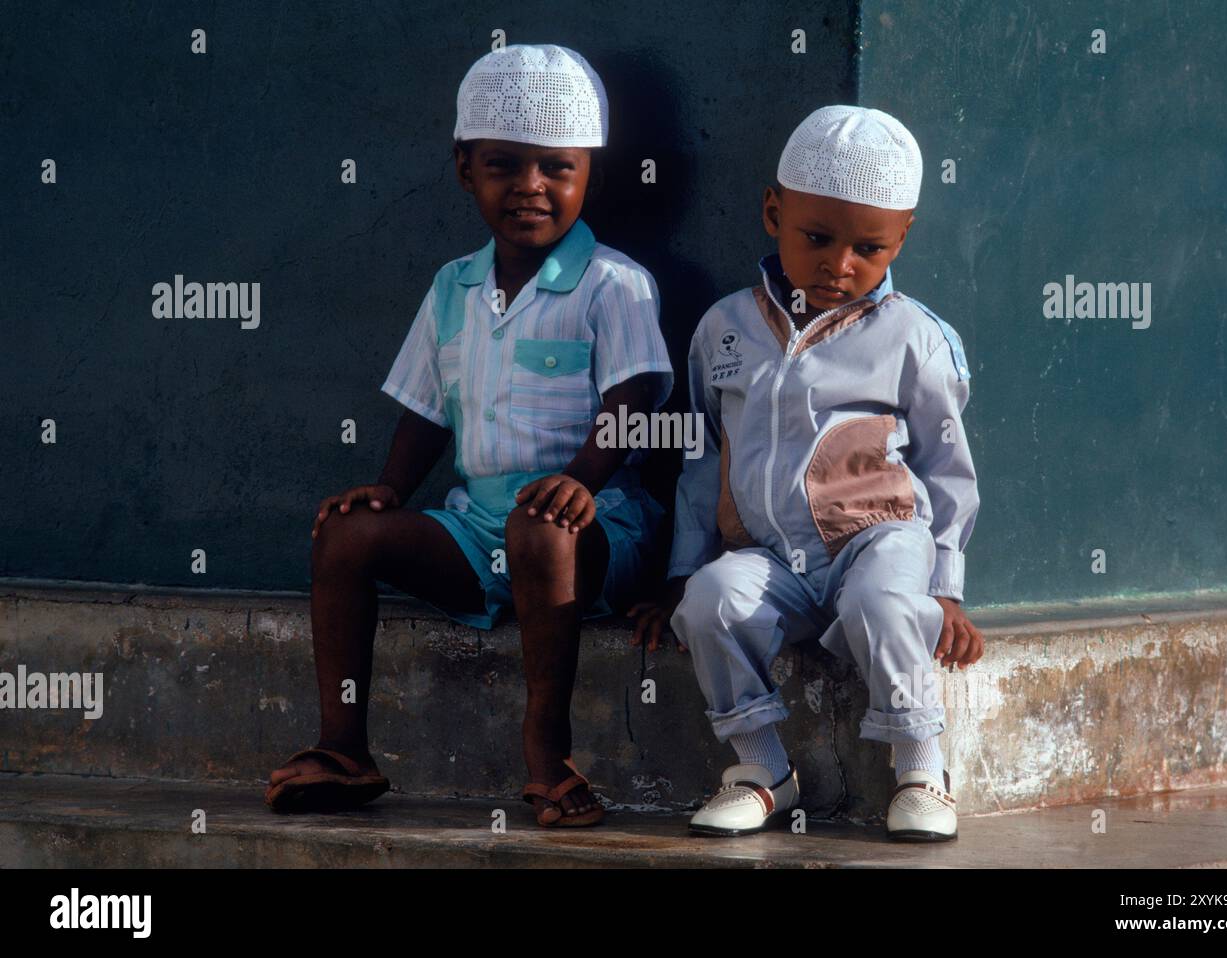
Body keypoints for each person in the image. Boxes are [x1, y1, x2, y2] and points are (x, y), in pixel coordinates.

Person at [266, 44, 674, 828]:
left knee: (543, 526)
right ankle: (344, 749)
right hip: (479, 527)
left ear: (588, 173)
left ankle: (548, 756)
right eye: (503, 166)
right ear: (465, 170)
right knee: (346, 535)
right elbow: (426, 406)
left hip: (594, 528)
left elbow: (641, 393)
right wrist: (390, 488)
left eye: (557, 167)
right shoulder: (452, 286)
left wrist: (583, 480)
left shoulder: (613, 284)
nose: (530, 187)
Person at [631, 105, 983, 841]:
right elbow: (702, 455)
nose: (840, 265)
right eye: (817, 238)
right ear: (772, 212)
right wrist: (683, 568)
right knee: (713, 602)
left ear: (902, 239)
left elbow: (948, 468)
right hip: (771, 556)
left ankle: (921, 770)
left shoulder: (915, 338)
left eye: (869, 248)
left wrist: (944, 587)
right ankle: (763, 772)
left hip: (878, 539)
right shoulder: (724, 328)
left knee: (885, 605)